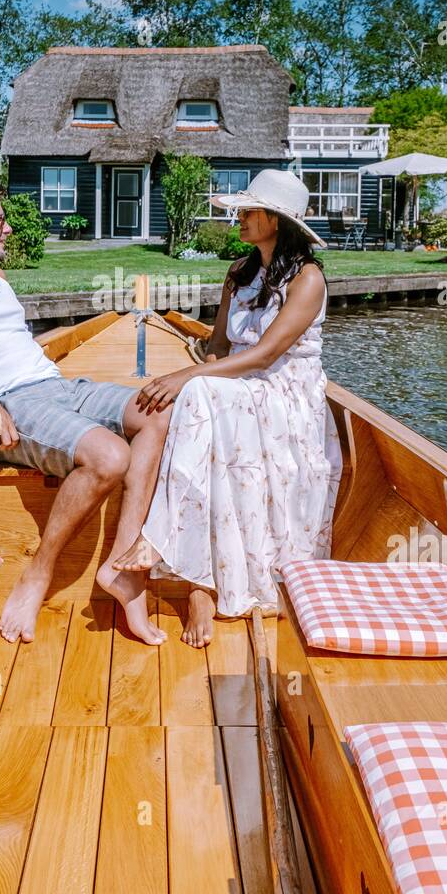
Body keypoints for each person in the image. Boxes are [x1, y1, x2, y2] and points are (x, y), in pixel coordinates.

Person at [0, 182, 172, 647]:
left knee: (157, 412)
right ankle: (38, 574)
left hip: (57, 386)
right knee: (109, 458)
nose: (8, 228)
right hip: (11, 403)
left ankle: (126, 568)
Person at [112, 169, 343, 648]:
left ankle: (167, 550)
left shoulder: (308, 279)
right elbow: (218, 347)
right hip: (238, 389)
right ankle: (200, 583)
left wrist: (185, 378)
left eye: (249, 210)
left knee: (194, 396)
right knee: (198, 402)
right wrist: (201, 373)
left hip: (286, 396)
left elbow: (264, 356)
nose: (239, 217)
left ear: (278, 222)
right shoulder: (239, 273)